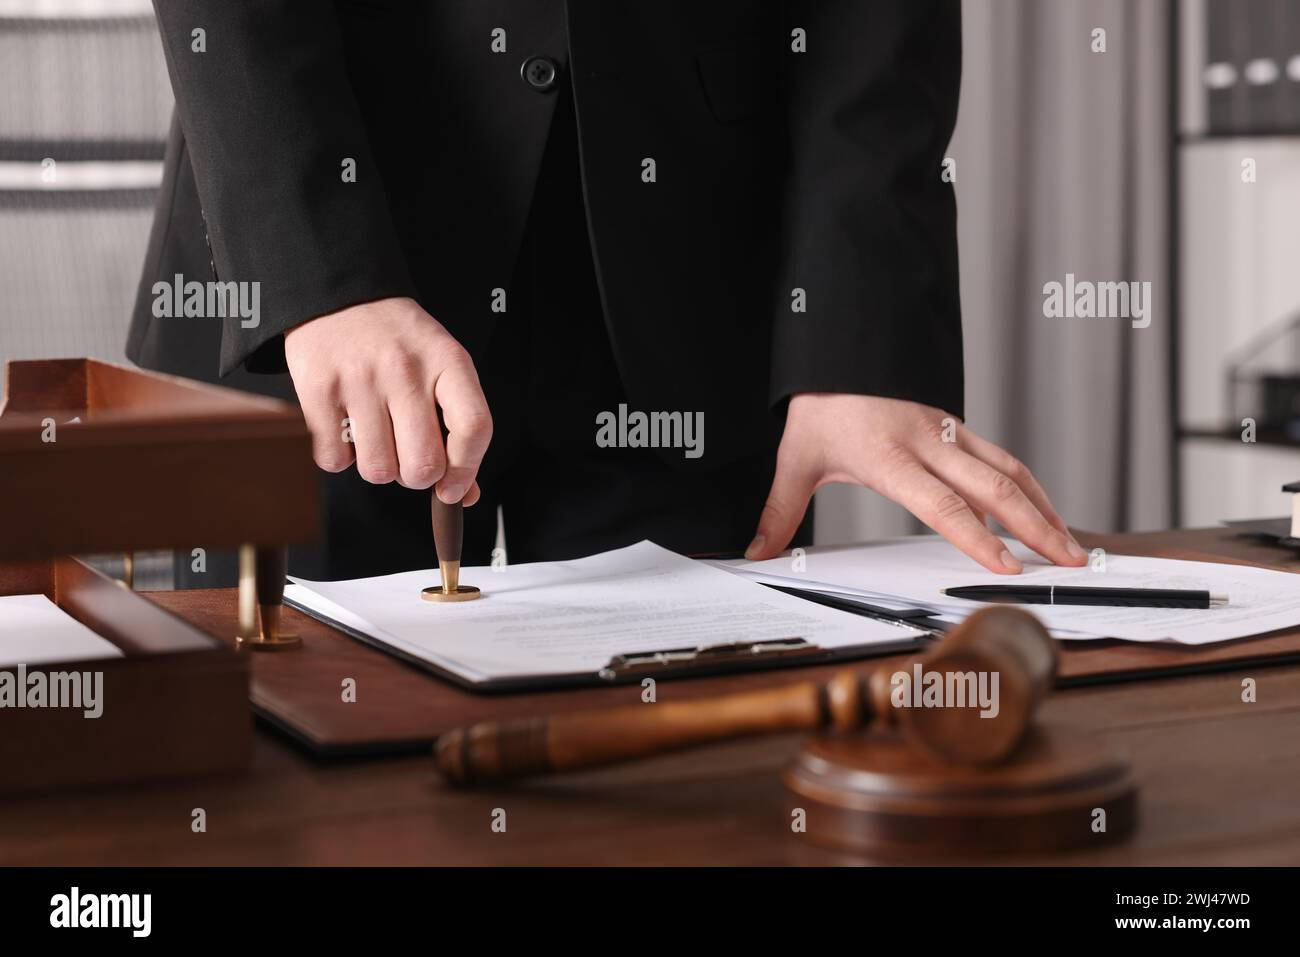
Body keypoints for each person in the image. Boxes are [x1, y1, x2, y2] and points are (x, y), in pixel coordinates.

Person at [128, 0, 1087, 581]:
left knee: (692, 802)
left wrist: (854, 334)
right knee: (278, 784)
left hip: (694, 294)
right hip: (318, 277)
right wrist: (316, 271)